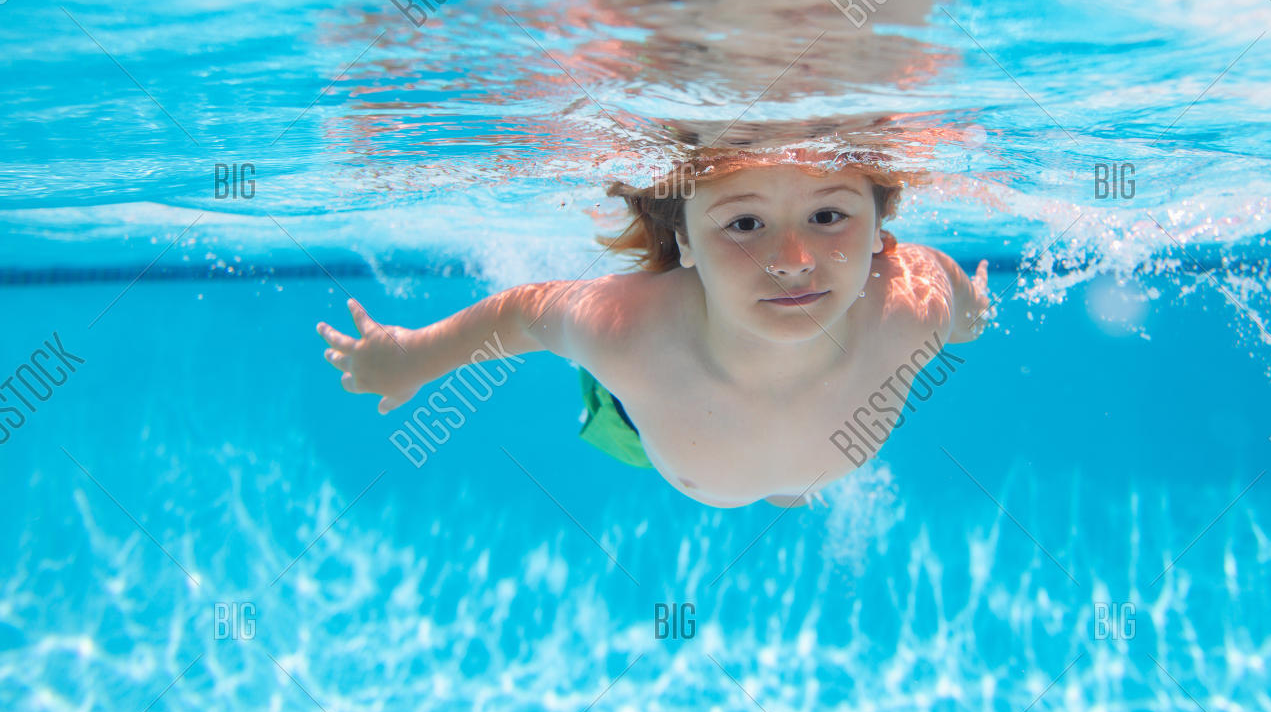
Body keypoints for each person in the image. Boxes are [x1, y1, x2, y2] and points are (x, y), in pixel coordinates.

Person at [317, 147, 991, 508]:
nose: (792, 261)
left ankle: (788, 490)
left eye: (828, 217)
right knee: (625, 426)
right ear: (688, 243)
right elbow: (524, 314)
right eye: (746, 224)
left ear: (881, 233)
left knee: (790, 491)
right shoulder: (630, 334)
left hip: (800, 463)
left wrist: (970, 318)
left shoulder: (913, 302)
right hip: (646, 428)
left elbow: (958, 304)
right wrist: (411, 358)